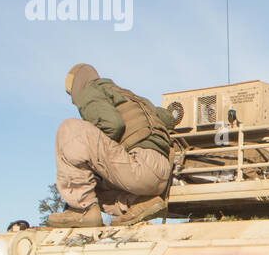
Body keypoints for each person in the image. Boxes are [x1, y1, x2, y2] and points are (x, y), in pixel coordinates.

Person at [45, 63, 174, 227]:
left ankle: (82, 211)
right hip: (160, 174)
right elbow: (168, 118)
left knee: (70, 129)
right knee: (94, 190)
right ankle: (140, 202)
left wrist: (93, 157)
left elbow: (113, 124)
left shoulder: (90, 92)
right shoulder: (132, 98)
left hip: (139, 167)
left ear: (76, 84)